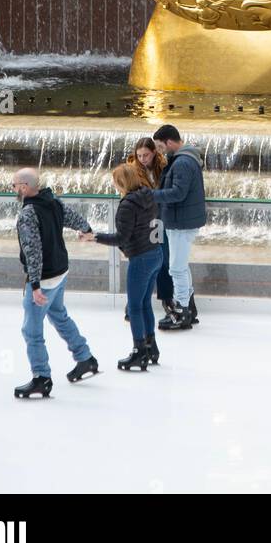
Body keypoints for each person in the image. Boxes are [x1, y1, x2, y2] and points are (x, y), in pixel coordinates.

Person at [13, 167, 99, 399]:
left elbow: (33, 252)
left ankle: (41, 377)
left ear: (24, 187)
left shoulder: (28, 213)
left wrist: (35, 285)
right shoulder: (52, 201)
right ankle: (85, 358)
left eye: (15, 186)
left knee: (31, 330)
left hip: (46, 278)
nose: (14, 190)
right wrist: (87, 229)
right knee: (58, 314)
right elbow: (73, 217)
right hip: (61, 270)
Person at [85, 162, 163, 371]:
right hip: (156, 253)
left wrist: (95, 237)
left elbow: (121, 237)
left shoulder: (127, 205)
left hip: (141, 259)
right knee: (145, 303)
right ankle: (151, 347)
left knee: (135, 306)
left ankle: (139, 352)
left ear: (120, 183)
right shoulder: (149, 195)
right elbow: (157, 225)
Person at [150, 124, 206, 331]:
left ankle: (182, 311)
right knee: (181, 266)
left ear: (169, 142)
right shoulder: (186, 159)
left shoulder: (182, 163)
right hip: (182, 220)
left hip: (181, 222)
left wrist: (151, 195)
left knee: (176, 268)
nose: (159, 151)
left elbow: (177, 193)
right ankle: (189, 308)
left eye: (160, 146)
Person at [123, 137, 175, 322]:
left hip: (160, 221)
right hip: (142, 223)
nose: (143, 158)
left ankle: (167, 298)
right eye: (139, 155)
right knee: (140, 263)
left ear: (154, 153)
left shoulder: (164, 166)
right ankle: (132, 305)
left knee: (163, 260)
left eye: (146, 155)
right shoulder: (131, 171)